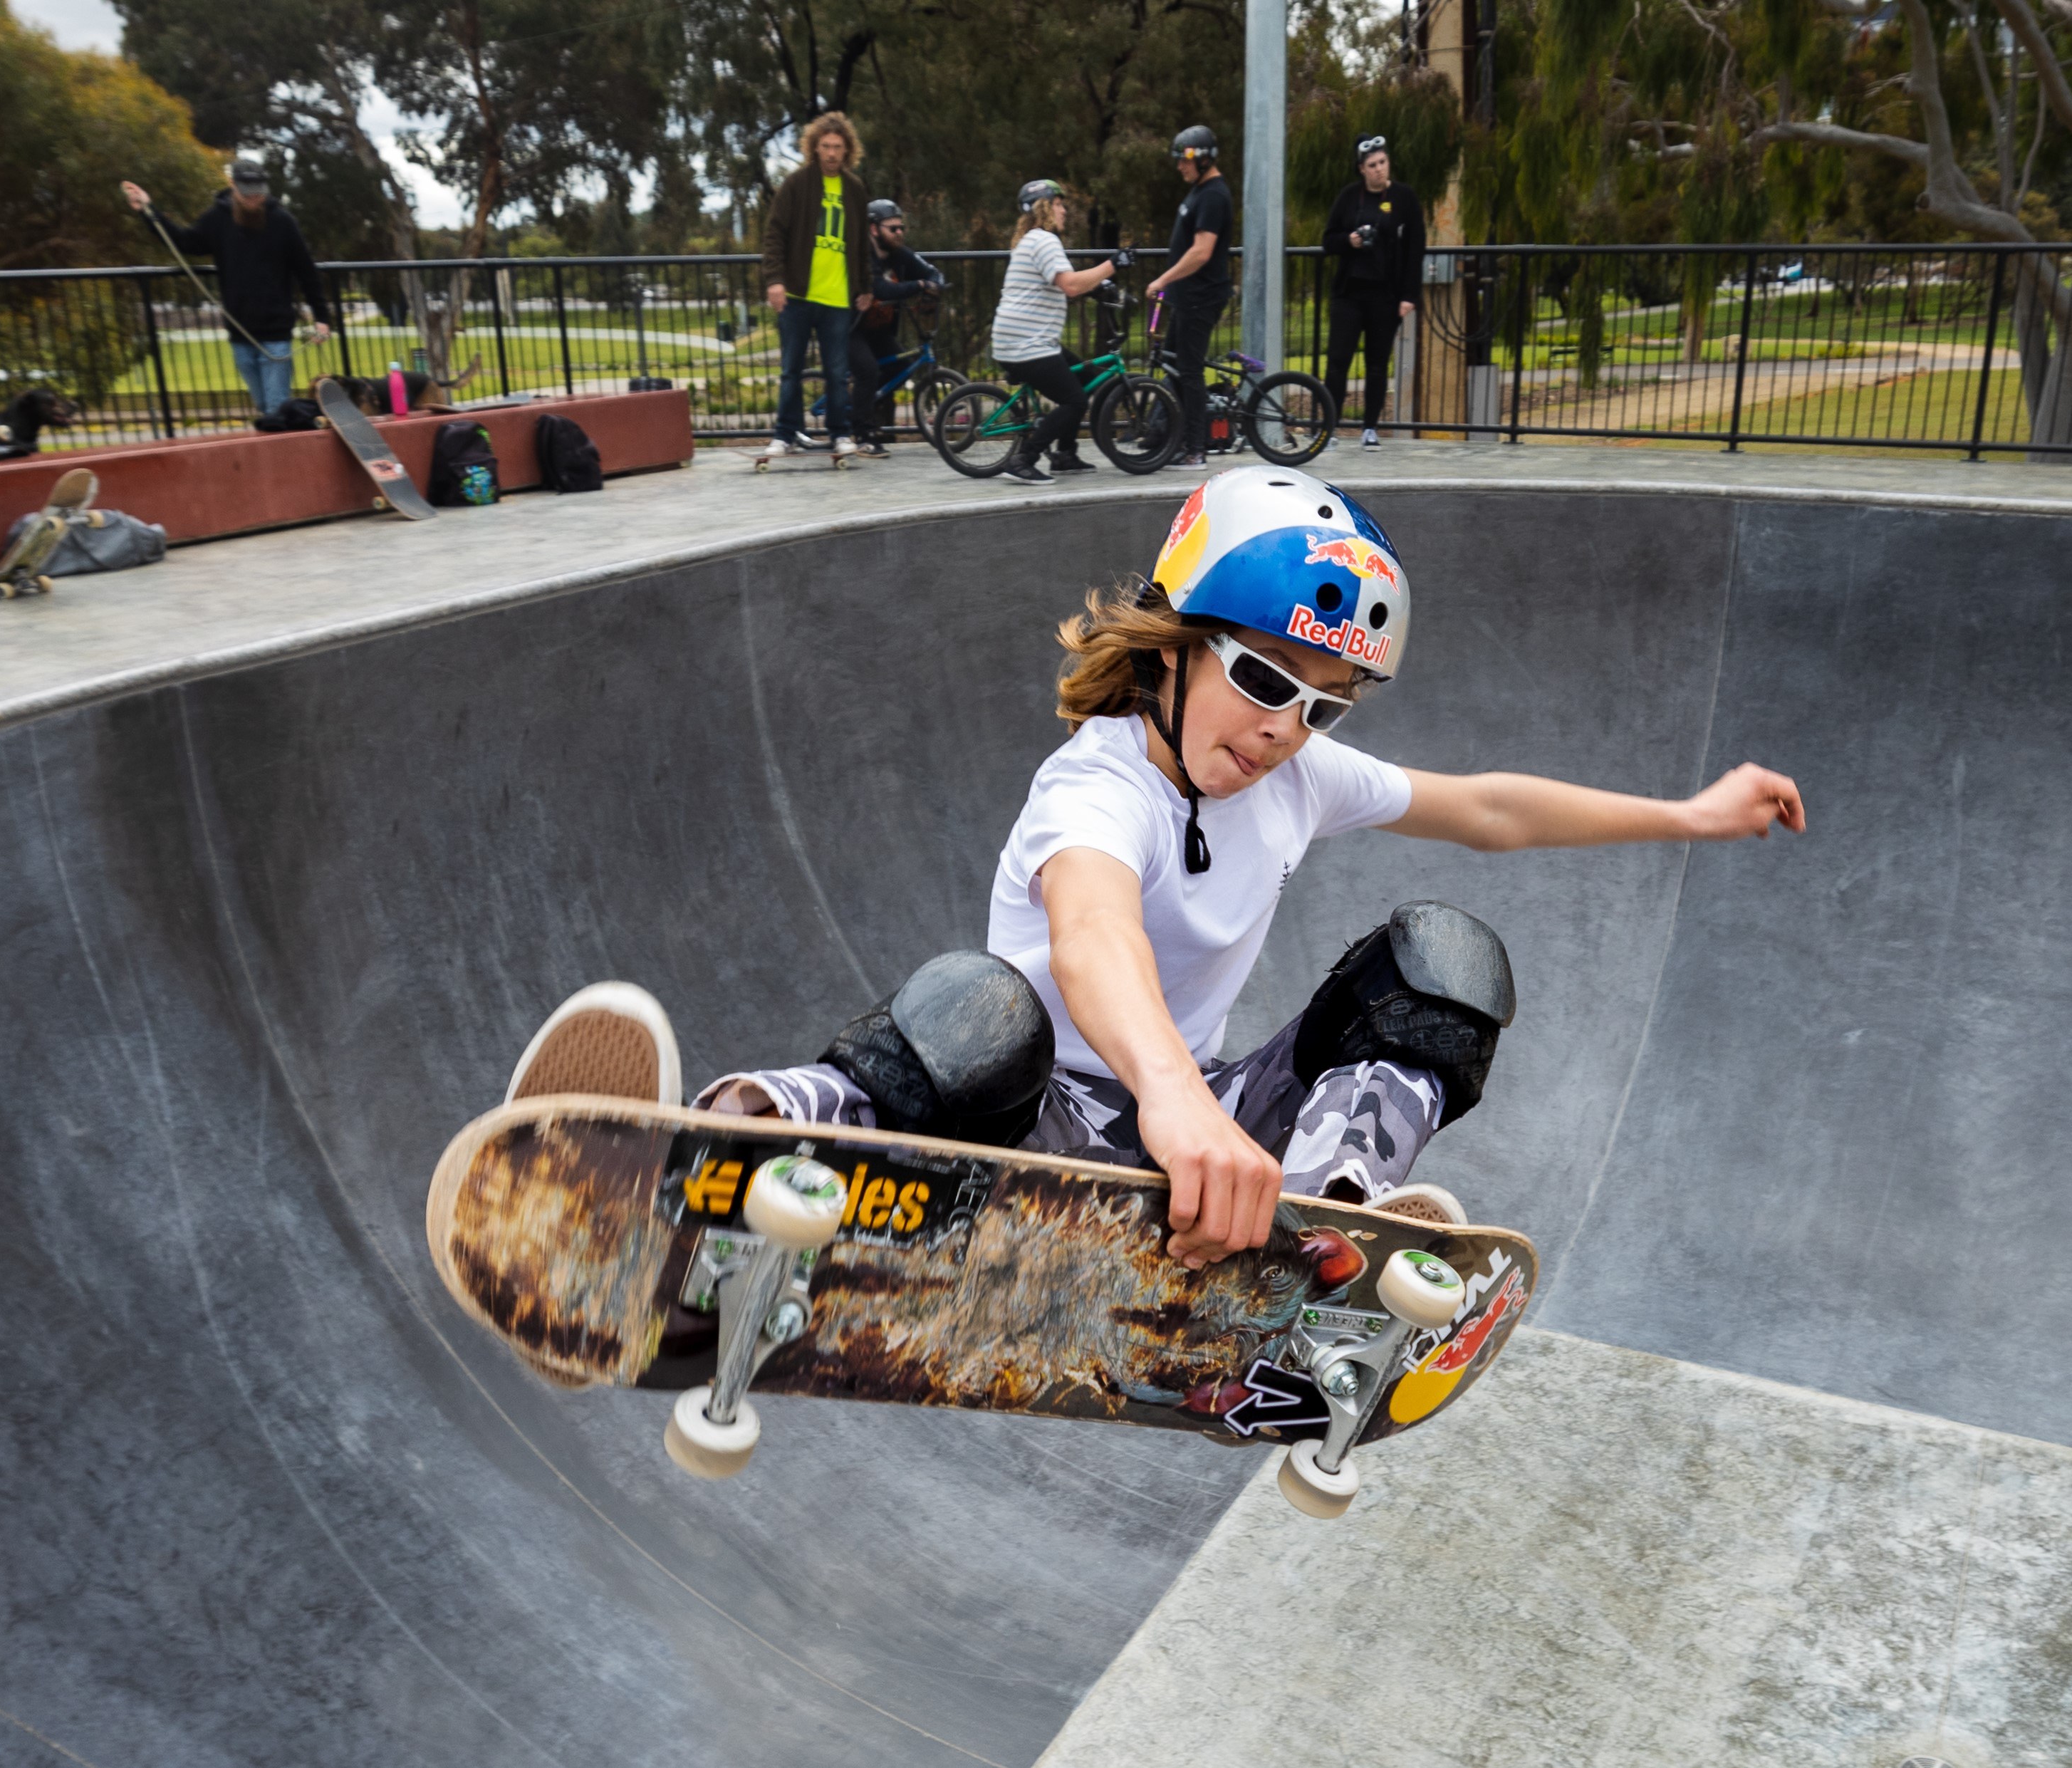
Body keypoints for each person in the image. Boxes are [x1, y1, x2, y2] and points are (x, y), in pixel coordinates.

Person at [504, 467, 1806, 1274]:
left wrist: (1688, 815)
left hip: (1216, 1139)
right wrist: (1173, 1101)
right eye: (1263, 679)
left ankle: (1327, 1230)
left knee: (1441, 964)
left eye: (1324, 704)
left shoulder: (1295, 775)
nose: (1284, 729)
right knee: (982, 1006)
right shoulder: (1095, 784)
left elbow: (1488, 809)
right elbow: (1091, 937)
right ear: (1173, 644)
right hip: (1030, 1130)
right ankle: (731, 1145)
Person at [119, 161, 333, 417]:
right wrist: (148, 211)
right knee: (263, 406)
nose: (253, 198)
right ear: (233, 185)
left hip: (276, 331)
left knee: (276, 409)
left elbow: (306, 271)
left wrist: (322, 317)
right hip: (240, 331)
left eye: (258, 193)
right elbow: (185, 241)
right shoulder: (217, 219)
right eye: (247, 192)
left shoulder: (282, 221)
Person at [990, 180, 1128, 484]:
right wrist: (1112, 265)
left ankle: (1065, 455)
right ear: (1044, 208)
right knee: (1075, 401)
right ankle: (1023, 459)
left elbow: (1059, 284)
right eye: (1058, 204)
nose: (1064, 210)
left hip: (1022, 340)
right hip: (1027, 344)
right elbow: (1070, 285)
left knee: (1085, 379)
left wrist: (1096, 287)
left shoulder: (1032, 240)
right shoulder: (1044, 240)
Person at [759, 113, 875, 460]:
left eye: (837, 147)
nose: (831, 153)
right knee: (790, 371)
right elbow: (774, 234)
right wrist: (775, 280)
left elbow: (861, 244)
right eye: (825, 146)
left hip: (837, 299)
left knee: (837, 374)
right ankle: (785, 435)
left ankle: (840, 434)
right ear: (814, 148)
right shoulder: (797, 184)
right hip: (797, 295)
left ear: (847, 150)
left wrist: (865, 286)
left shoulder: (854, 189)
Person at [1322, 136, 1424, 449]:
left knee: (1377, 364)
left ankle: (1370, 428)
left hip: (1385, 296)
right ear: (1362, 169)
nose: (1379, 169)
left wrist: (1409, 296)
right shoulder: (1349, 197)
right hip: (1349, 293)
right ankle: (1328, 427)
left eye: (1382, 162)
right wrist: (1349, 241)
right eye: (1372, 165)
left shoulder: (1404, 197)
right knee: (1338, 361)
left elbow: (1415, 248)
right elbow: (1328, 240)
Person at [1144, 125, 1232, 469]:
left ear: (1204, 159)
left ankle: (1196, 449)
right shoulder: (1200, 191)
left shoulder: (1213, 195)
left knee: (1190, 373)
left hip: (1201, 297)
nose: (1180, 166)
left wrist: (1163, 280)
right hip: (1186, 297)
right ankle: (1173, 438)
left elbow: (1201, 252)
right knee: (1174, 366)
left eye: (1185, 160)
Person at [850, 199, 942, 454]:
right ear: (874, 229)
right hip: (851, 328)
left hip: (878, 330)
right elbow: (880, 288)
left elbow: (933, 273)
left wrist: (934, 288)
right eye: (893, 229)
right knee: (868, 372)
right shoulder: (861, 256)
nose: (899, 233)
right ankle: (863, 435)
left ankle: (860, 405)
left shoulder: (900, 255)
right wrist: (920, 286)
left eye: (902, 228)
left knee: (901, 366)